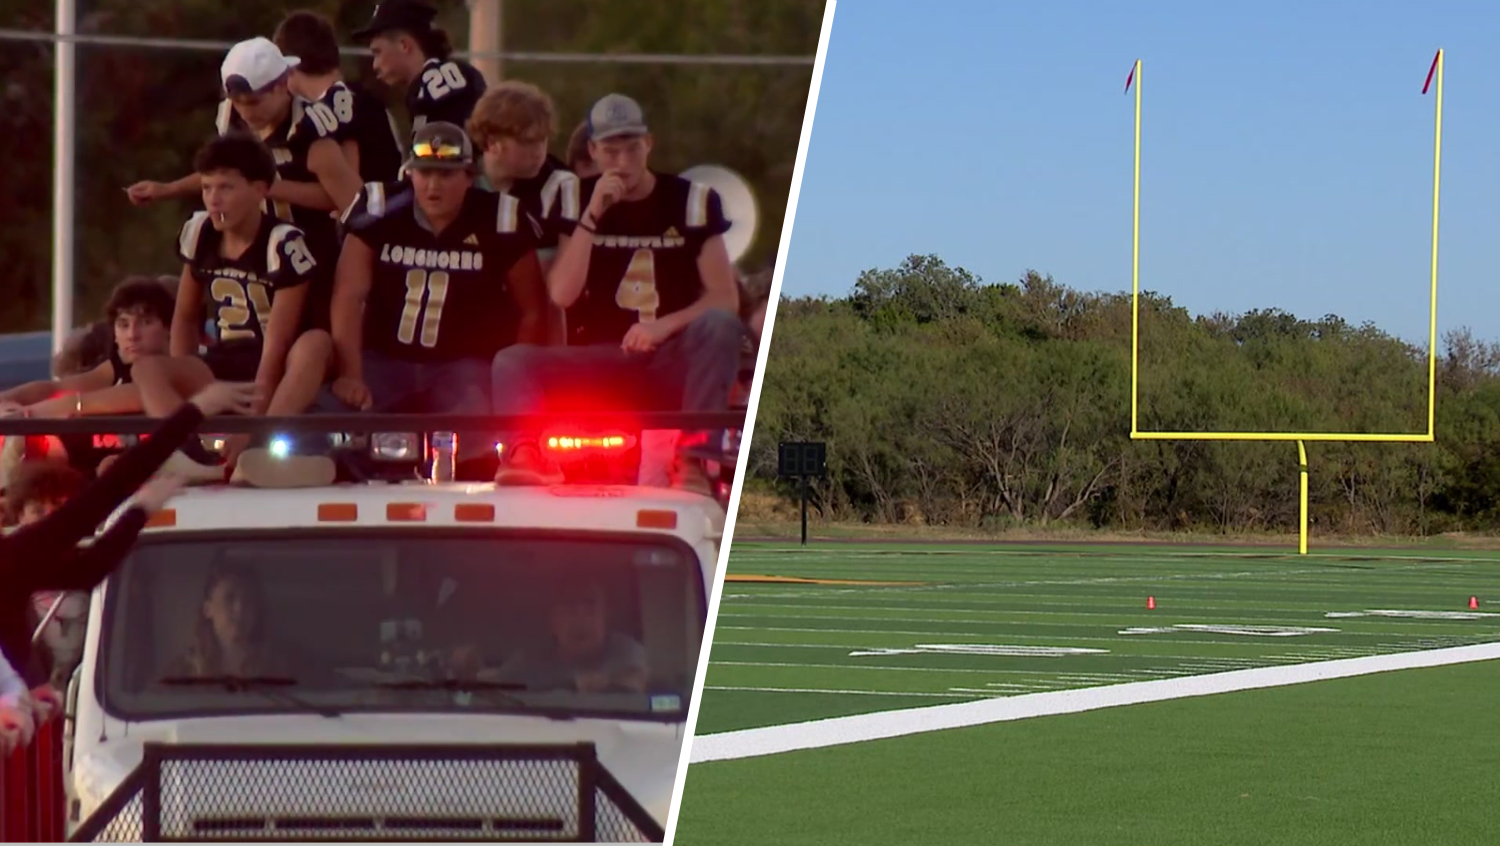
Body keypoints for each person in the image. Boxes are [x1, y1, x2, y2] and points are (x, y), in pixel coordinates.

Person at [489, 94, 745, 493]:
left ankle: (694, 458)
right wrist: (592, 216)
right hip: (601, 357)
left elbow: (724, 298)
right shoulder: (575, 196)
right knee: (512, 362)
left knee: (721, 325)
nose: (622, 163)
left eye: (631, 149)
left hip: (670, 360)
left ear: (649, 145)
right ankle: (524, 454)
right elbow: (561, 293)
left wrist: (664, 326)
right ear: (593, 151)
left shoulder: (691, 201)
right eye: (611, 151)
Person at [327, 122, 550, 480]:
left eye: (446, 175)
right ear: (409, 174)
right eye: (424, 173)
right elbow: (349, 295)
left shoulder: (501, 218)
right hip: (384, 357)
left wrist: (511, 377)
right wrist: (350, 373)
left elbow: (533, 309)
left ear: (468, 176)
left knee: (480, 441)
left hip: (463, 364)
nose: (433, 185)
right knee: (323, 420)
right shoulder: (379, 208)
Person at [0, 382, 256, 689]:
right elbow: (102, 506)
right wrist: (141, 509)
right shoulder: (12, 559)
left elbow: (88, 563)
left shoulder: (13, 558)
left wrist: (139, 510)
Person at [129, 134, 336, 486]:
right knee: (147, 368)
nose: (213, 199)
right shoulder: (199, 233)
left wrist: (248, 428)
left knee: (315, 343)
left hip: (277, 363)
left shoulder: (283, 243)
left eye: (225, 188)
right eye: (207, 188)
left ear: (259, 190)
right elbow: (186, 316)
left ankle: (261, 445)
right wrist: (187, 384)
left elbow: (278, 343)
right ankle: (185, 451)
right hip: (225, 359)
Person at [127, 36, 362, 340]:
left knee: (309, 338)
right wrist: (168, 189)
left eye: (253, 102)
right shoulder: (232, 117)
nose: (246, 112)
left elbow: (353, 201)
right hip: (255, 246)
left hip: (310, 252)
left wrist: (270, 187)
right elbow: (223, 173)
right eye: (238, 102)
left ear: (282, 85)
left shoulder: (311, 133)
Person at [468, 80, 574, 342]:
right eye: (527, 142)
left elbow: (559, 292)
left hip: (537, 328)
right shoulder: (459, 183)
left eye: (543, 140)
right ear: (492, 143)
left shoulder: (560, 187)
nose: (539, 151)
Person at [274, 10, 404, 184]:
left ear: (289, 65)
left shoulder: (335, 106)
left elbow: (350, 191)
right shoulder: (369, 100)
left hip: (367, 207)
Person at [486, 580, 647, 694]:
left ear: (606, 616)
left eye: (590, 606)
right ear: (553, 621)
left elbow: (635, 684)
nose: (580, 618)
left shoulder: (626, 653)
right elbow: (495, 686)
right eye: (569, 607)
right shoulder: (529, 661)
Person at [353, 0, 487, 135]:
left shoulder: (429, 88)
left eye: (378, 52)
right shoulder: (462, 73)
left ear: (403, 45)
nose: (375, 65)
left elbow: (441, 152)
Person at [162, 565, 290, 679]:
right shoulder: (182, 672)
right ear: (207, 609)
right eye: (229, 598)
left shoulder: (280, 667)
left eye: (248, 600)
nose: (240, 608)